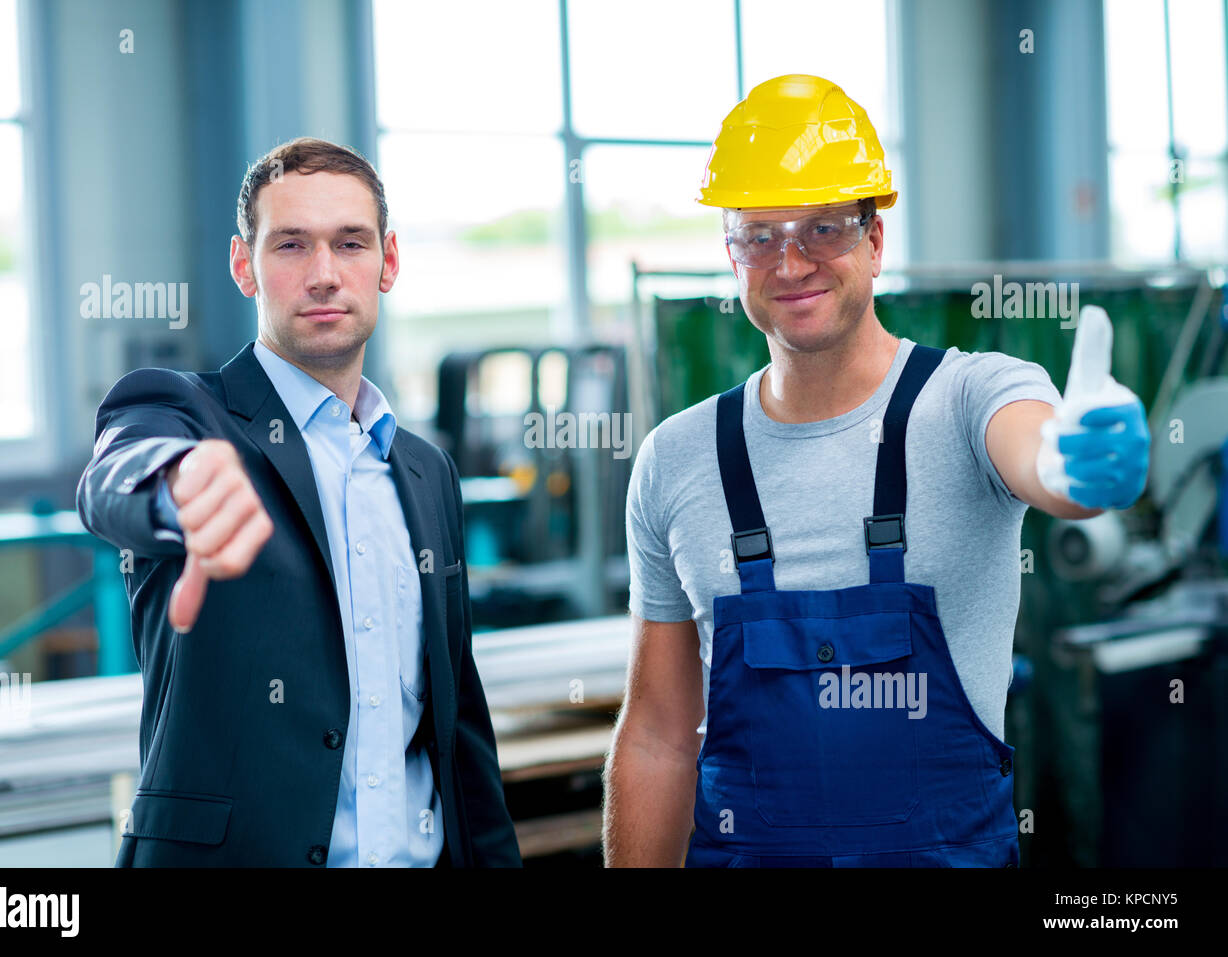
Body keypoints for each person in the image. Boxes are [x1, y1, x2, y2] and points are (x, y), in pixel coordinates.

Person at [602, 75, 1150, 867]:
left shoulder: (970, 396)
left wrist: (1076, 461)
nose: (791, 262)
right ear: (731, 252)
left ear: (875, 241)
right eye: (760, 234)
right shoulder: (676, 459)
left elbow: (1038, 454)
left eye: (824, 227)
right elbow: (655, 735)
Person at [77, 137, 521, 867]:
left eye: (350, 243)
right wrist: (177, 482)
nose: (324, 275)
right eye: (290, 245)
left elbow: (459, 728)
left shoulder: (424, 471)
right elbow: (115, 475)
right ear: (244, 266)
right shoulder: (184, 415)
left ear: (390, 262)